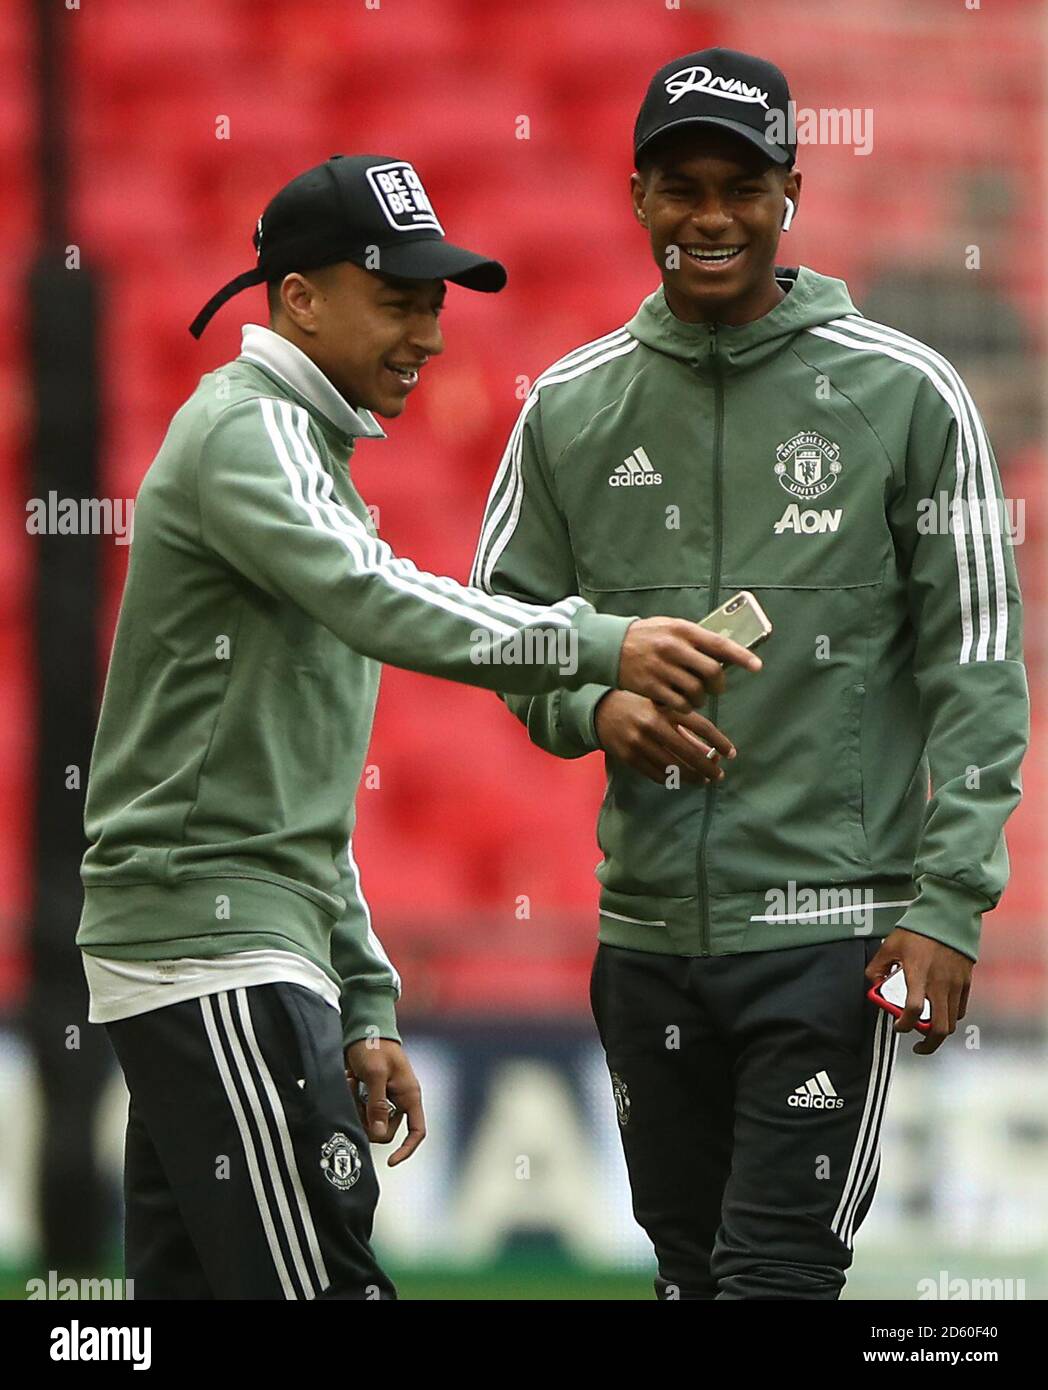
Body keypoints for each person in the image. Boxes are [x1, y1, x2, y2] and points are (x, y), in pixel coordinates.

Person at [77, 153, 758, 1300]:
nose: (429, 335)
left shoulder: (303, 457)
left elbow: (297, 789)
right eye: (398, 299)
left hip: (234, 940)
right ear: (297, 297)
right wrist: (603, 639)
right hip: (213, 944)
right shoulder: (250, 432)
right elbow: (381, 595)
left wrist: (363, 992)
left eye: (434, 304)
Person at [471, 50, 1030, 1300]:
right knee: (687, 1277)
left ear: (791, 189)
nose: (710, 217)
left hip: (831, 937)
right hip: (646, 936)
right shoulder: (566, 404)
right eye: (680, 187)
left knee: (774, 1277)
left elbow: (978, 662)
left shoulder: (906, 392)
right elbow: (490, 623)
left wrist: (946, 904)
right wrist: (590, 702)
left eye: (741, 186)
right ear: (634, 195)